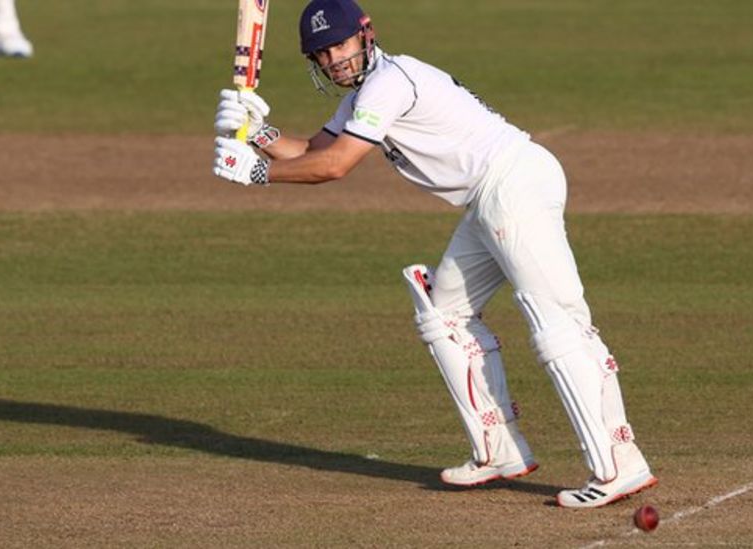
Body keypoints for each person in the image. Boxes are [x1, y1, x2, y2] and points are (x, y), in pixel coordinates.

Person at [211, 0, 657, 508]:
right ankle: (500, 449)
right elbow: (314, 149)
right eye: (322, 53)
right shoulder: (365, 93)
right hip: (488, 199)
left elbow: (332, 167)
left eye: (340, 45)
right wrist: (257, 132)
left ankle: (619, 463)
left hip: (512, 183)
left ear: (366, 34)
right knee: (444, 312)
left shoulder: (391, 82)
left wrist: (255, 172)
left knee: (557, 324)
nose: (335, 59)